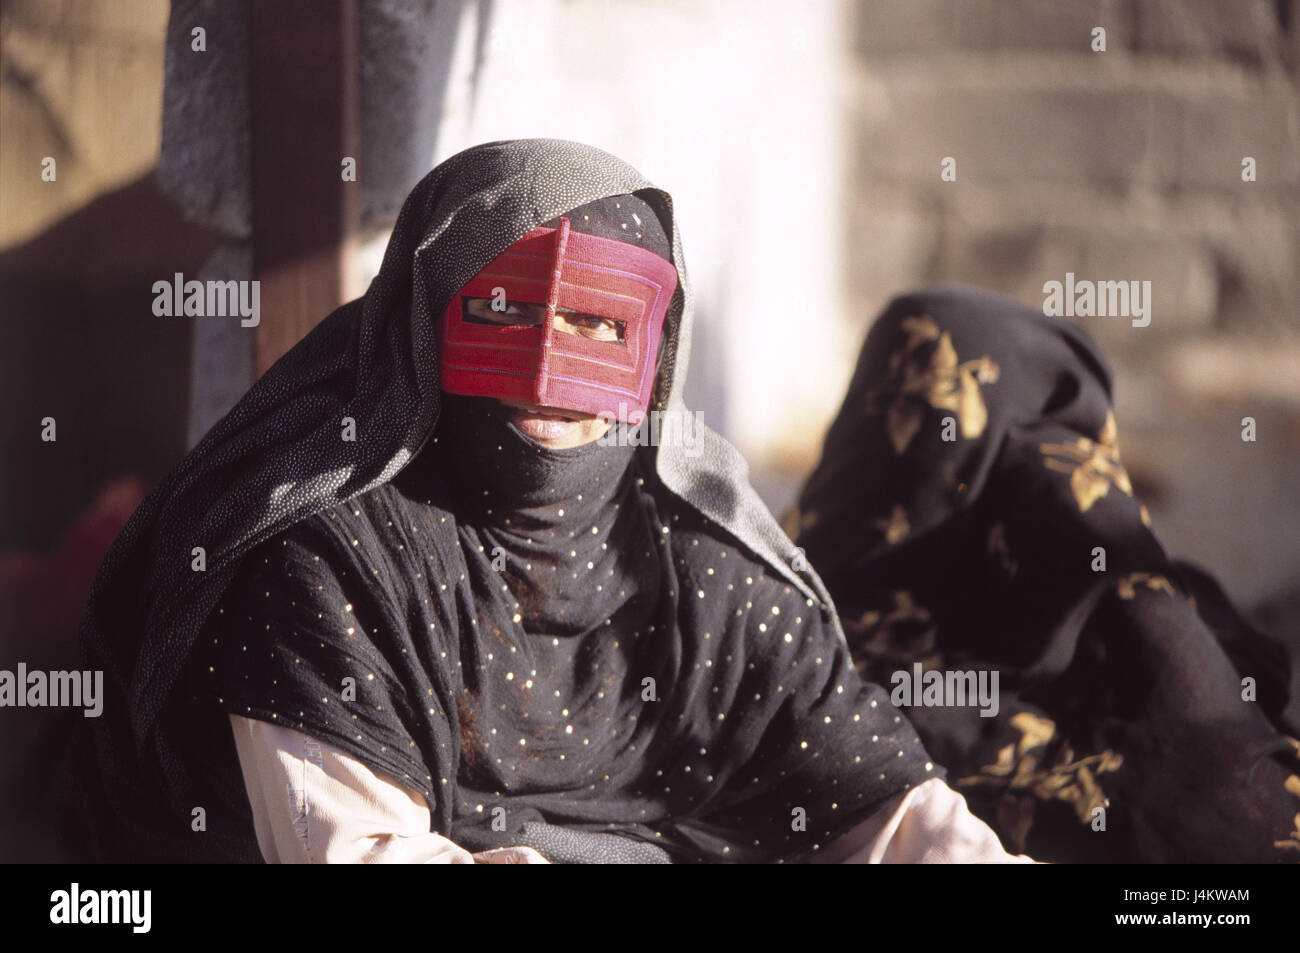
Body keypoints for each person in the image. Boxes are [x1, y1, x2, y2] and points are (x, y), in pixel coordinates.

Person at [65, 139, 1033, 863]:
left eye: (593, 322)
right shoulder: (328, 556)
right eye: (501, 309)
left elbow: (899, 814)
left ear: (654, 351)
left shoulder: (710, 566)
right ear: (424, 316)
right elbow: (353, 850)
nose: (545, 366)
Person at [787, 285, 1300, 863]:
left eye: (909, 403)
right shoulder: (771, 607)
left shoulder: (1139, 619)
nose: (893, 436)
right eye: (888, 402)